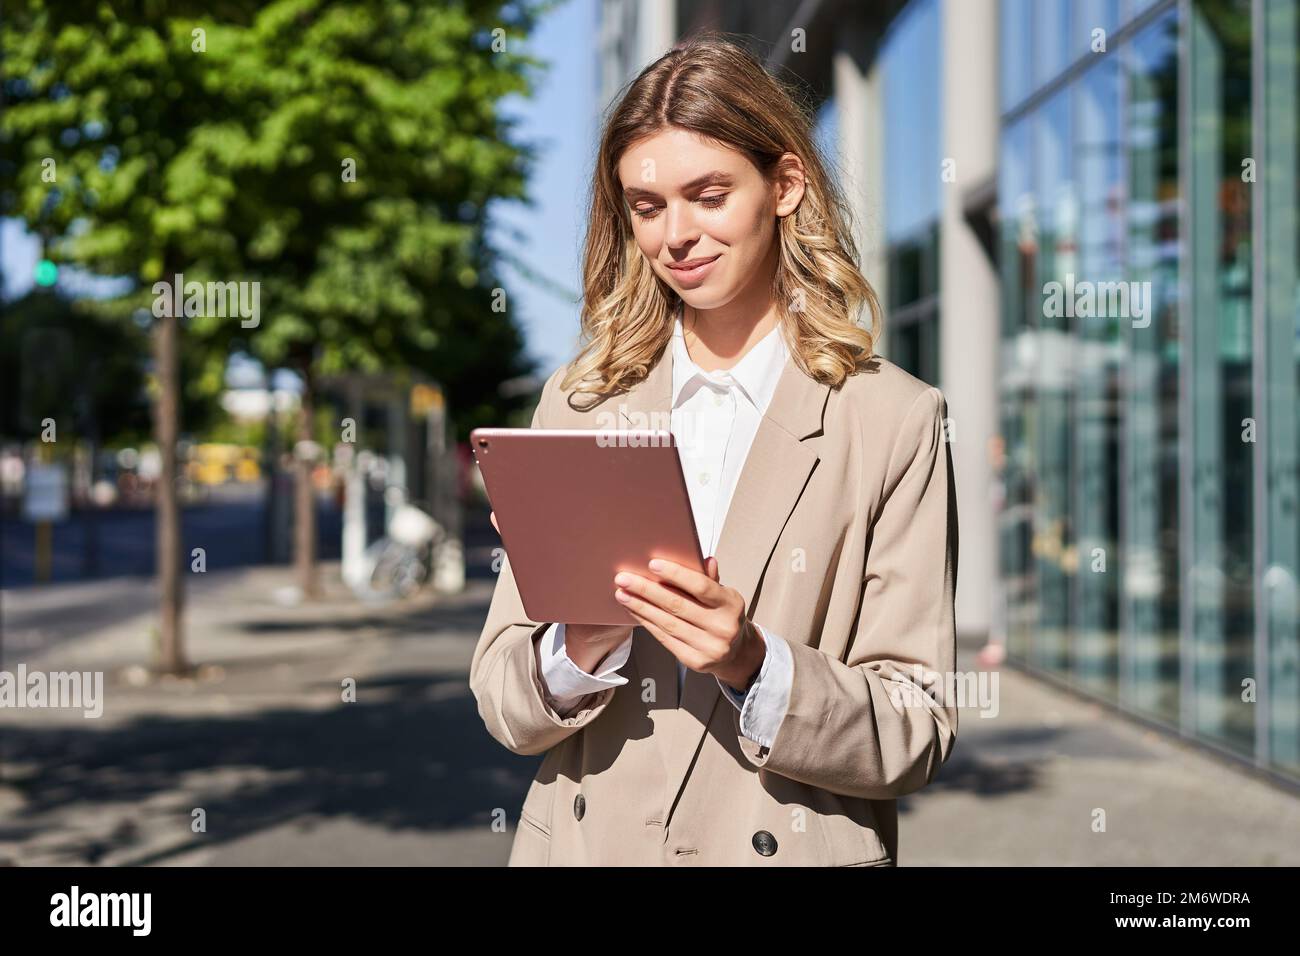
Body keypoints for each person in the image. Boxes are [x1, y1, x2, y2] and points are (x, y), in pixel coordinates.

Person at [470, 34, 958, 866]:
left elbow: (916, 726)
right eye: (648, 205)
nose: (677, 235)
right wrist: (577, 648)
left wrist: (754, 663)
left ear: (785, 186)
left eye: (708, 195)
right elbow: (502, 702)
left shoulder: (892, 419)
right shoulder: (581, 404)